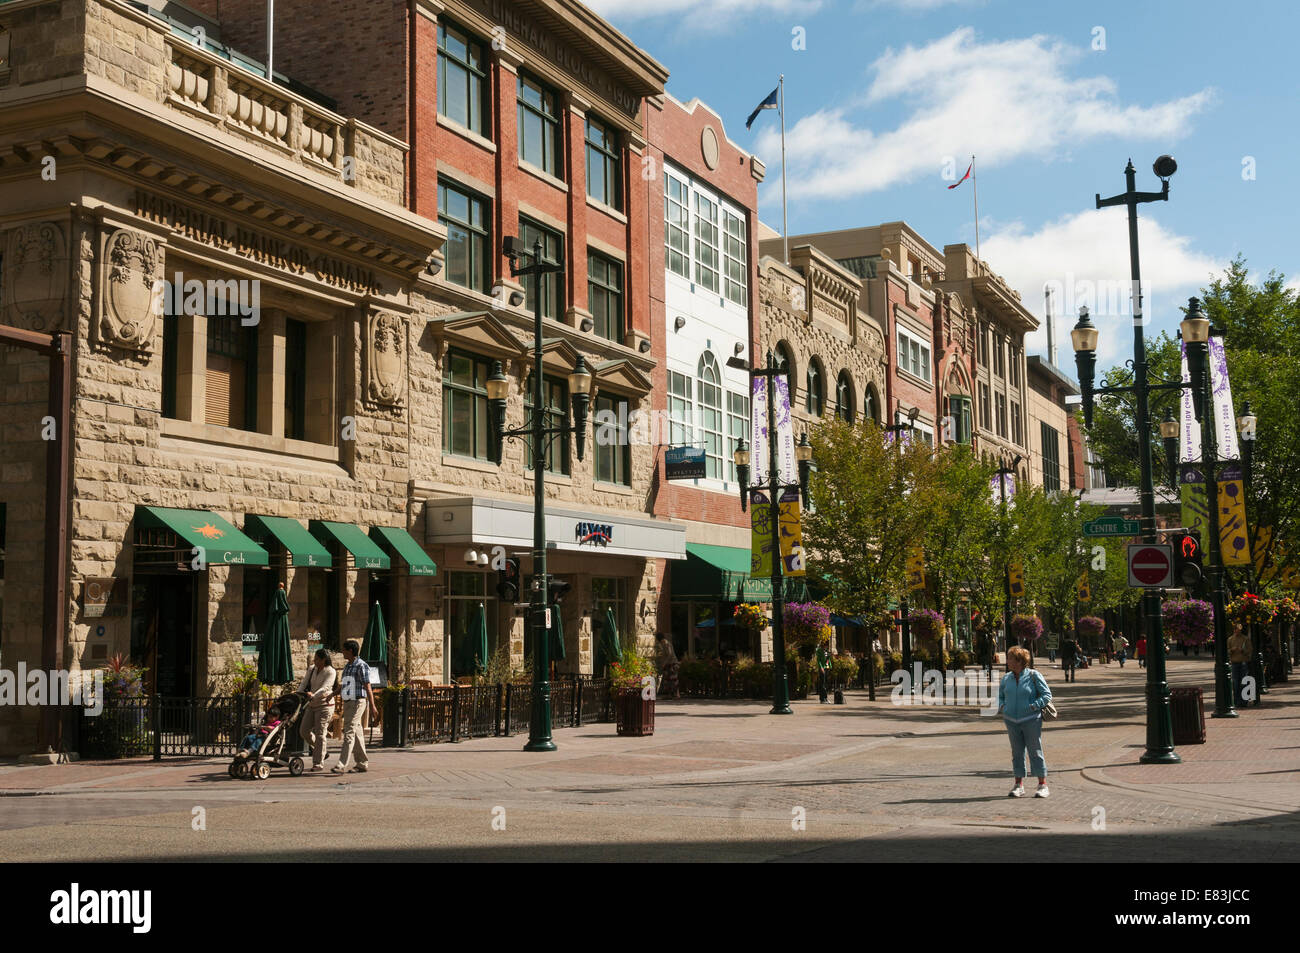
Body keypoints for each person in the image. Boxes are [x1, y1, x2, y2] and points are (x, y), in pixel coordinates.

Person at [998, 646, 1052, 798]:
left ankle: (1042, 784)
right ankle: (1018, 784)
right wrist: (1002, 706)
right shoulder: (1006, 678)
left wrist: (1034, 705)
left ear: (1019, 661)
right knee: (1017, 753)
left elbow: (1047, 695)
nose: (1007, 661)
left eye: (1010, 658)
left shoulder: (1034, 675)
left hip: (1031, 720)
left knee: (1035, 751)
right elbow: (1000, 695)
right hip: (1011, 720)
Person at [331, 639, 376, 774]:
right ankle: (362, 763)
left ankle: (341, 764)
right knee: (356, 733)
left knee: (349, 731)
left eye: (344, 650)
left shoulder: (361, 666)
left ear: (350, 651)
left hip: (358, 702)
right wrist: (331, 695)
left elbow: (368, 687)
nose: (342, 652)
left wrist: (373, 706)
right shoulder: (348, 666)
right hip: (348, 702)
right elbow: (343, 685)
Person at [298, 648, 337, 771]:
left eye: (316, 659)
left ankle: (318, 763)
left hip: (325, 705)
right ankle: (322, 750)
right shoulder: (312, 669)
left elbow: (326, 687)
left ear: (323, 660)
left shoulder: (331, 671)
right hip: (311, 704)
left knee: (320, 734)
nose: (314, 661)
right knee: (303, 731)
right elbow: (304, 683)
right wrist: (298, 693)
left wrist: (314, 694)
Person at [1228, 624, 1253, 708]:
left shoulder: (1245, 639)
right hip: (1234, 663)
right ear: (1234, 630)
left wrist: (1243, 650)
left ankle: (1244, 701)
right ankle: (1236, 701)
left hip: (1243, 662)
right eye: (1236, 629)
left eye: (1239, 629)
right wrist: (1232, 650)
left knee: (1243, 682)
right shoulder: (1230, 639)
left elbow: (1250, 650)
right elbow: (1227, 651)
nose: (1237, 631)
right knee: (1235, 682)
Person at [654, 632, 679, 699]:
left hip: (672, 664)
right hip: (669, 664)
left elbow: (669, 654)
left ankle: (677, 694)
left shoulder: (666, 643)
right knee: (668, 680)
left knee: (673, 679)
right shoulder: (663, 643)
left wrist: (664, 663)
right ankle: (670, 695)